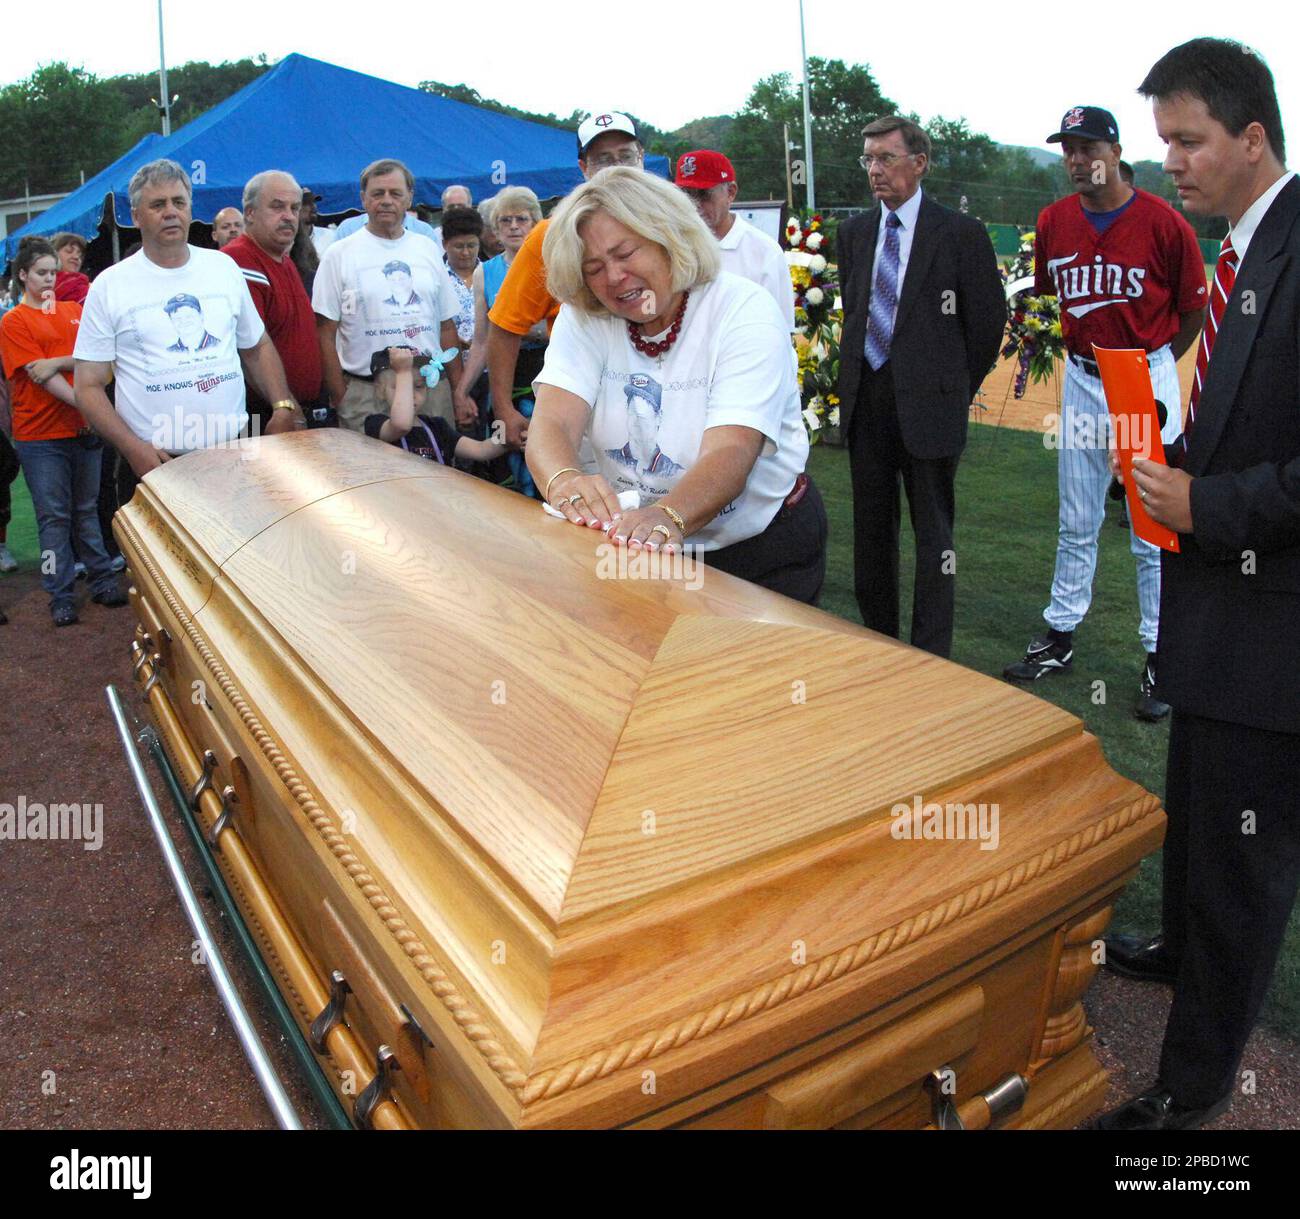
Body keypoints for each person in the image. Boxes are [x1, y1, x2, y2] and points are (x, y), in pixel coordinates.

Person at [1097, 38, 1300, 1133]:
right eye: (1163, 139)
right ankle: (1176, 947)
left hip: (1271, 623)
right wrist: (1170, 454)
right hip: (1220, 603)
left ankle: (1189, 1089)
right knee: (1196, 817)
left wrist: (1205, 507)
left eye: (1187, 141)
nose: (1168, 160)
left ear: (1251, 138)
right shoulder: (1238, 253)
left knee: (1240, 861)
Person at [528, 168, 826, 602]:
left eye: (625, 253)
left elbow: (731, 449)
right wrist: (564, 478)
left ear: (669, 236)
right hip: (638, 544)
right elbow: (553, 420)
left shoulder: (742, 309)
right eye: (594, 268)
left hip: (757, 550)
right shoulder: (584, 315)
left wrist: (668, 516)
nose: (613, 277)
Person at [1001, 106, 1206, 719]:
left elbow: (1191, 313)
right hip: (1085, 380)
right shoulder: (1054, 221)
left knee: (1152, 525)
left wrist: (1152, 372)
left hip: (1144, 376)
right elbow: (1048, 293)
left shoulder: (1164, 223)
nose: (1074, 159)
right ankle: (1060, 634)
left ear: (1115, 152)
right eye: (1066, 148)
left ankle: (1159, 651)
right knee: (1077, 514)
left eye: (1086, 146)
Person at [836, 116, 1004, 657]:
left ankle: (932, 654)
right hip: (869, 404)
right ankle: (879, 644)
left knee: (934, 539)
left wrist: (951, 388)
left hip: (931, 409)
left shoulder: (960, 234)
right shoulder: (856, 233)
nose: (875, 170)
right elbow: (856, 312)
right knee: (872, 534)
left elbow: (985, 326)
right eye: (868, 160)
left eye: (886, 158)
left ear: (919, 163)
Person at [73, 159, 302, 502]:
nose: (170, 212)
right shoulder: (109, 286)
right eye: (158, 204)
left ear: (190, 209)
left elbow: (257, 346)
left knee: (238, 553)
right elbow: (88, 385)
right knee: (165, 558)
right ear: (136, 216)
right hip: (157, 462)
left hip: (234, 452)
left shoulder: (222, 267)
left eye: (179, 202)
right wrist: (132, 448)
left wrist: (282, 405)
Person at [488, 110, 647, 452]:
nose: (616, 167)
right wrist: (504, 408)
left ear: (642, 159)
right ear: (583, 168)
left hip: (662, 401)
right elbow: (504, 326)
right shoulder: (550, 237)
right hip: (581, 412)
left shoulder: (670, 226)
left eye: (625, 156)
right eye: (603, 159)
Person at [0, 237, 125, 625]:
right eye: (41, 272)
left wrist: (56, 361)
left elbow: (101, 358)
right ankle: (60, 592)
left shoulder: (72, 310)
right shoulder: (13, 321)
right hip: (41, 434)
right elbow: (37, 376)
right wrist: (89, 401)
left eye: (53, 271)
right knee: (53, 518)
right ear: (22, 275)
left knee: (86, 510)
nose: (50, 279)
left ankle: (102, 580)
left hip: (81, 426)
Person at [313, 159, 464, 433]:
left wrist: (458, 391)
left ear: (409, 198)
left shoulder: (427, 249)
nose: (386, 201)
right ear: (363, 199)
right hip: (366, 393)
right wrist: (341, 395)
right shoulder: (339, 254)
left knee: (436, 473)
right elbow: (325, 332)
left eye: (395, 194)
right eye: (377, 193)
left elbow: (446, 326)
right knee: (372, 475)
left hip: (429, 390)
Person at [222, 170, 324, 432]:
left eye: (294, 208)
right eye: (277, 207)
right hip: (270, 416)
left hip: (296, 410)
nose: (289, 216)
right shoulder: (239, 261)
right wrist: (288, 408)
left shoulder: (283, 258)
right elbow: (249, 349)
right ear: (250, 213)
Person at [454, 187, 547, 439]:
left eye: (521, 219)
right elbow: (482, 341)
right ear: (495, 229)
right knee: (506, 461)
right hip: (503, 382)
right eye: (506, 220)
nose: (514, 226)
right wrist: (462, 392)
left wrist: (520, 330)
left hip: (546, 375)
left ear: (536, 224)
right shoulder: (484, 272)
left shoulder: (553, 264)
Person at [674, 149, 795, 329]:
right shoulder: (670, 246)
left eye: (703, 194)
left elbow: (779, 328)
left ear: (730, 192)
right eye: (686, 194)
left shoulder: (764, 251)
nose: (694, 204)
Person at [364, 345, 504, 467]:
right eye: (401, 386)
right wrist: (403, 372)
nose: (410, 394)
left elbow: (480, 449)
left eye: (418, 386)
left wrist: (507, 436)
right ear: (380, 390)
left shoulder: (437, 426)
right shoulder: (376, 424)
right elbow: (401, 424)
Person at [440, 206, 482, 349]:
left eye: (471, 246)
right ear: (445, 244)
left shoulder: (491, 274)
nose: (465, 253)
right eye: (458, 246)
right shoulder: (437, 278)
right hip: (447, 362)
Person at [52, 233, 91, 304]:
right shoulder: (40, 288)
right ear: (54, 255)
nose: (76, 257)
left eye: (79, 254)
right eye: (69, 251)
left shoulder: (91, 288)